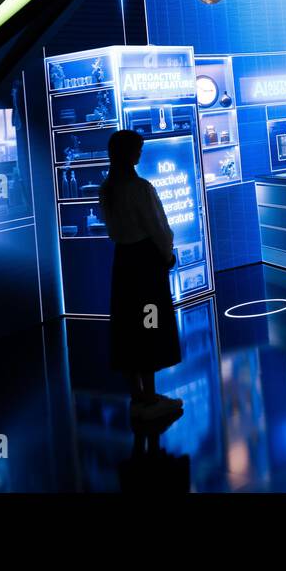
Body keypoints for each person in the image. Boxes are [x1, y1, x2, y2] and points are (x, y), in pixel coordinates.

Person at [98, 130, 184, 422]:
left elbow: (112, 231)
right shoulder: (140, 188)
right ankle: (150, 399)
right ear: (129, 153)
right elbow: (158, 227)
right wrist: (167, 254)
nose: (141, 153)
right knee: (150, 324)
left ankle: (138, 396)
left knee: (128, 327)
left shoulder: (108, 188)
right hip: (146, 265)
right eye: (138, 149)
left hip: (123, 264)